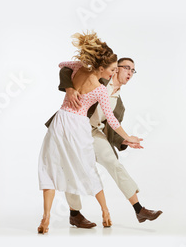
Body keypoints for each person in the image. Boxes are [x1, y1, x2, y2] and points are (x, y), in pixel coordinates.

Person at [37, 31, 143, 234]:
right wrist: (128, 137)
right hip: (78, 126)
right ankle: (105, 213)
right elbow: (111, 120)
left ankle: (46, 217)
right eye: (112, 69)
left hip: (60, 121)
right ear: (102, 68)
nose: (113, 74)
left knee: (50, 167)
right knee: (87, 169)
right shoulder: (101, 90)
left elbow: (62, 65)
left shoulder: (79, 68)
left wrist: (70, 88)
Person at [46, 57, 161, 229]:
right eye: (127, 68)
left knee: (113, 163)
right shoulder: (99, 77)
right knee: (71, 168)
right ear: (116, 69)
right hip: (71, 127)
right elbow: (65, 69)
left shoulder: (119, 104)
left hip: (93, 132)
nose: (130, 72)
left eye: (133, 70)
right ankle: (75, 214)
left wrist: (125, 139)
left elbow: (113, 127)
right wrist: (69, 89)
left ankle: (139, 209)